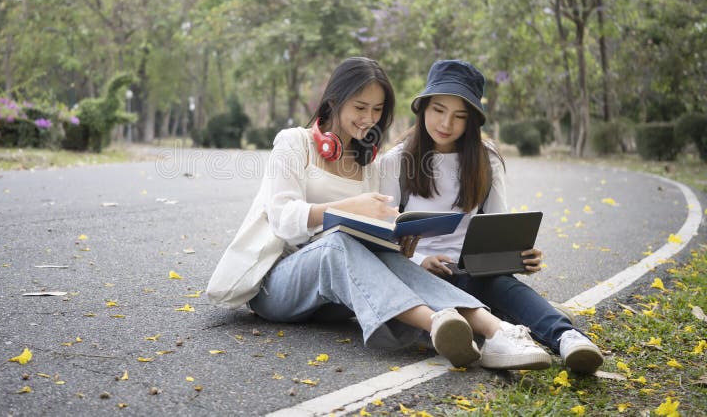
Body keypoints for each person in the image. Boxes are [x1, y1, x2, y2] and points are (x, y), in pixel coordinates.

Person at [207, 56, 551, 370]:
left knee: (385, 256)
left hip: (337, 299)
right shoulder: (293, 143)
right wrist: (345, 209)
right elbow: (283, 218)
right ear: (334, 101)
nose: (369, 118)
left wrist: (400, 243)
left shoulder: (368, 165)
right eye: (360, 107)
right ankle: (437, 323)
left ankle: (499, 333)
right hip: (277, 288)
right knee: (336, 244)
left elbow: (374, 237)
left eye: (377, 109)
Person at [378, 59, 604, 373]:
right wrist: (419, 261)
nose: (446, 123)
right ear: (423, 108)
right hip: (419, 275)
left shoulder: (487, 159)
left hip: (473, 270)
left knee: (501, 285)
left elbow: (499, 227)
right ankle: (510, 324)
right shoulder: (396, 161)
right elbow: (384, 235)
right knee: (490, 297)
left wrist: (517, 256)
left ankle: (569, 338)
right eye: (439, 110)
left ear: (472, 121)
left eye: (460, 116)